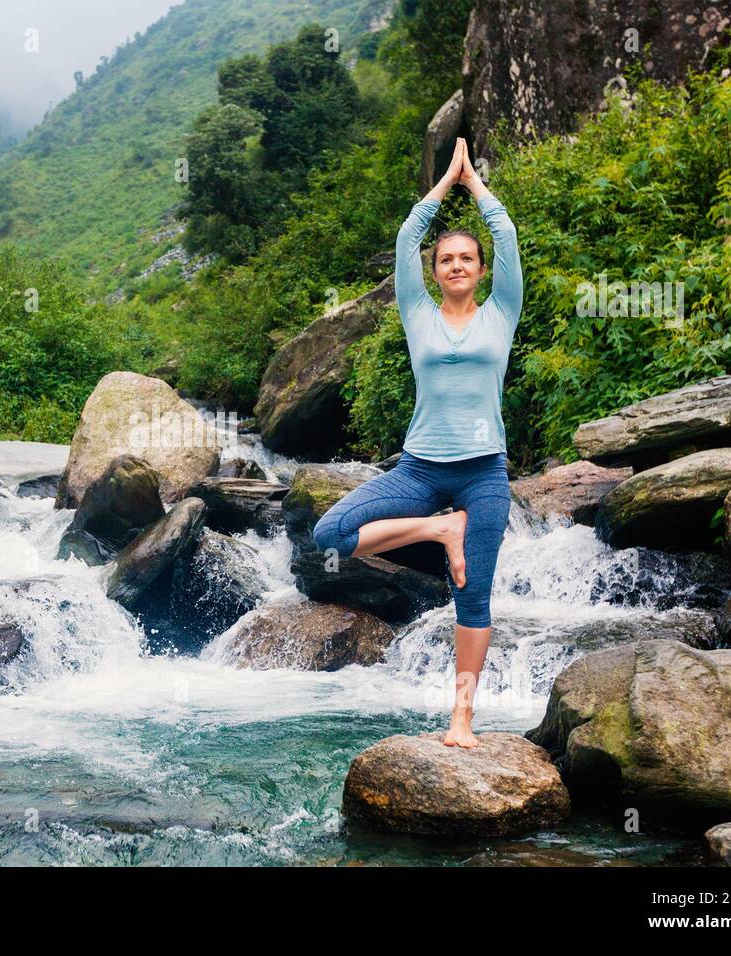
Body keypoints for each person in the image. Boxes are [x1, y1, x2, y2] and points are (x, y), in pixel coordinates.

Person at [311, 137, 522, 748]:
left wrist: (474, 184)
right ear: (434, 274)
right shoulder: (417, 313)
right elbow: (408, 238)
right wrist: (441, 185)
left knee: (472, 599)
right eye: (446, 260)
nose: (456, 265)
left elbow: (504, 233)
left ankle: (461, 719)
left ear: (481, 271)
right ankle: (439, 530)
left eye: (466, 258)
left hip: (484, 474)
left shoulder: (501, 311)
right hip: (419, 470)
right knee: (331, 534)